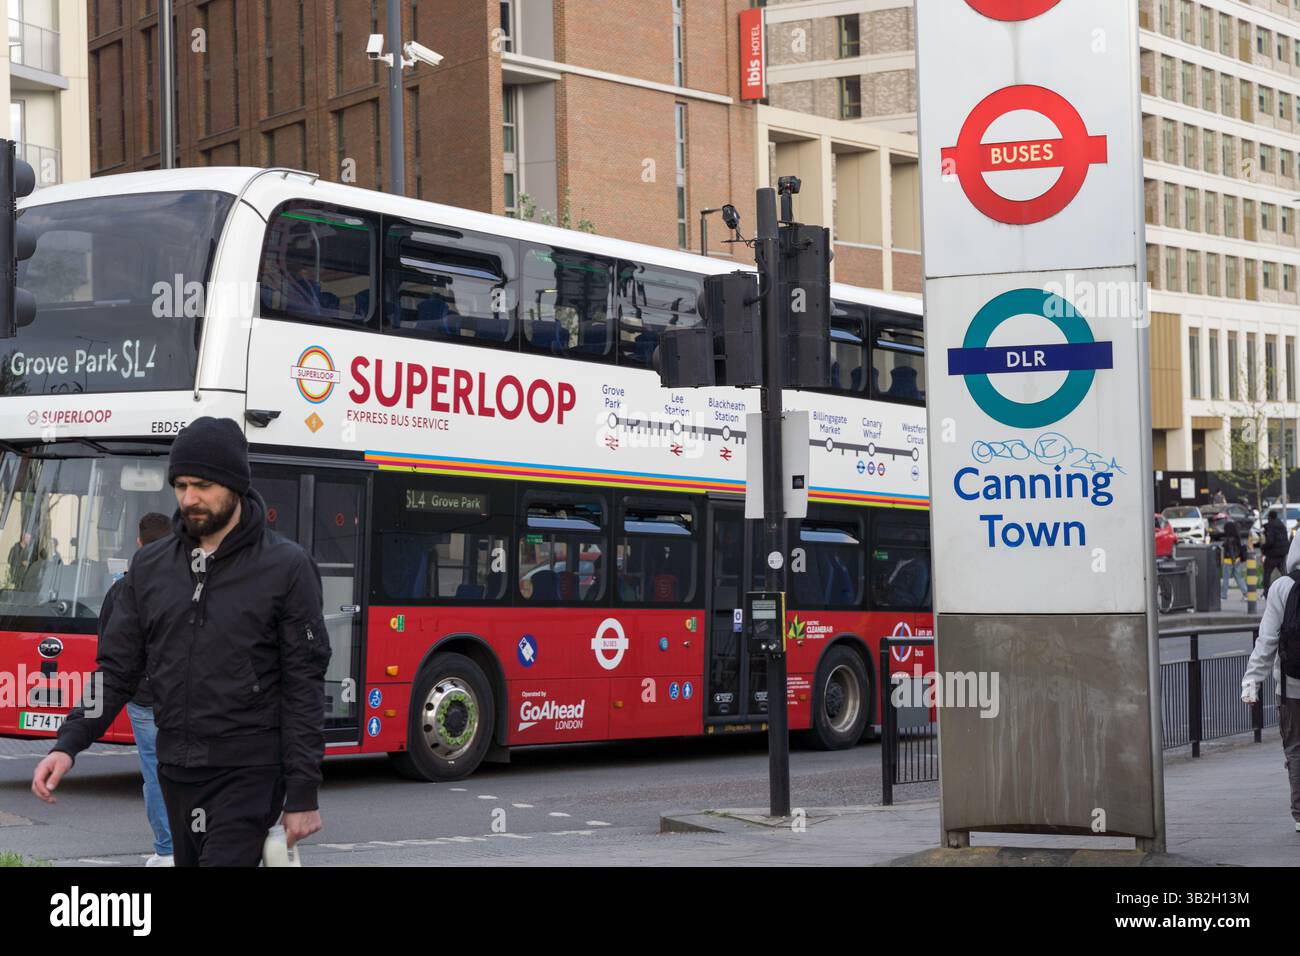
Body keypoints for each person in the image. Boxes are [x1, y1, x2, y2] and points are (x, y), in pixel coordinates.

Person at [31, 417, 332, 866]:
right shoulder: (150, 567)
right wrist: (68, 742)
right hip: (177, 770)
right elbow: (116, 671)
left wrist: (303, 791)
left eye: (203, 485)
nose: (189, 498)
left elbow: (304, 684)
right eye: (181, 485)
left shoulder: (285, 567)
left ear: (235, 484)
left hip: (249, 770)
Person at [102, 512, 174, 866]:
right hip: (183, 697)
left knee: (155, 773)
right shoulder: (191, 583)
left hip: (143, 700)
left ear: (139, 544)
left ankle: (166, 851)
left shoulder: (121, 589)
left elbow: (108, 650)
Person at [1242, 532, 1300, 832]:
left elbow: (1267, 641)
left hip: (1291, 686)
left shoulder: (1281, 587)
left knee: (1295, 748)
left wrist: (1252, 680)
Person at [1262, 511, 1291, 597]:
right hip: (1282, 553)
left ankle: (1266, 593)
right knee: (1285, 573)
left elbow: (1270, 541)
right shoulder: (1281, 525)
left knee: (1267, 574)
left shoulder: (1271, 526)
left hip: (1272, 554)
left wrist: (1264, 547)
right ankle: (1290, 590)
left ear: (1269, 517)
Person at [1221, 517, 1249, 602]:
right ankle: (1246, 593)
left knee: (1226, 578)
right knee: (1238, 577)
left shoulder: (1229, 539)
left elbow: (1230, 551)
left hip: (1229, 561)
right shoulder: (1237, 537)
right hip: (1237, 560)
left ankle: (1223, 596)